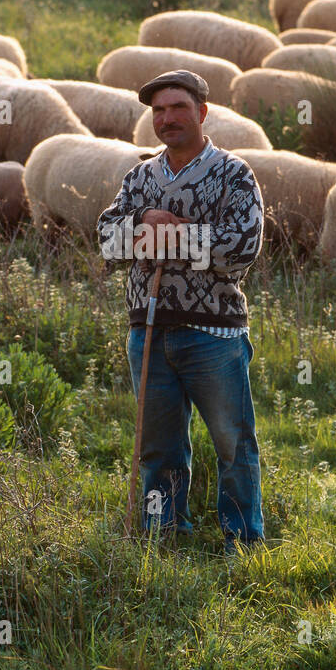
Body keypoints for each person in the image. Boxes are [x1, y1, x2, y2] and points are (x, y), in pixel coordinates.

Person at [96, 69, 266, 554]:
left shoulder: (234, 174)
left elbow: (241, 246)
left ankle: (244, 541)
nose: (167, 119)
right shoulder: (140, 176)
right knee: (158, 449)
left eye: (178, 108)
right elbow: (109, 241)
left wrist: (160, 240)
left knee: (234, 444)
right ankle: (162, 535)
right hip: (147, 329)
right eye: (159, 111)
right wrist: (145, 219)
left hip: (214, 332)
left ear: (202, 113)